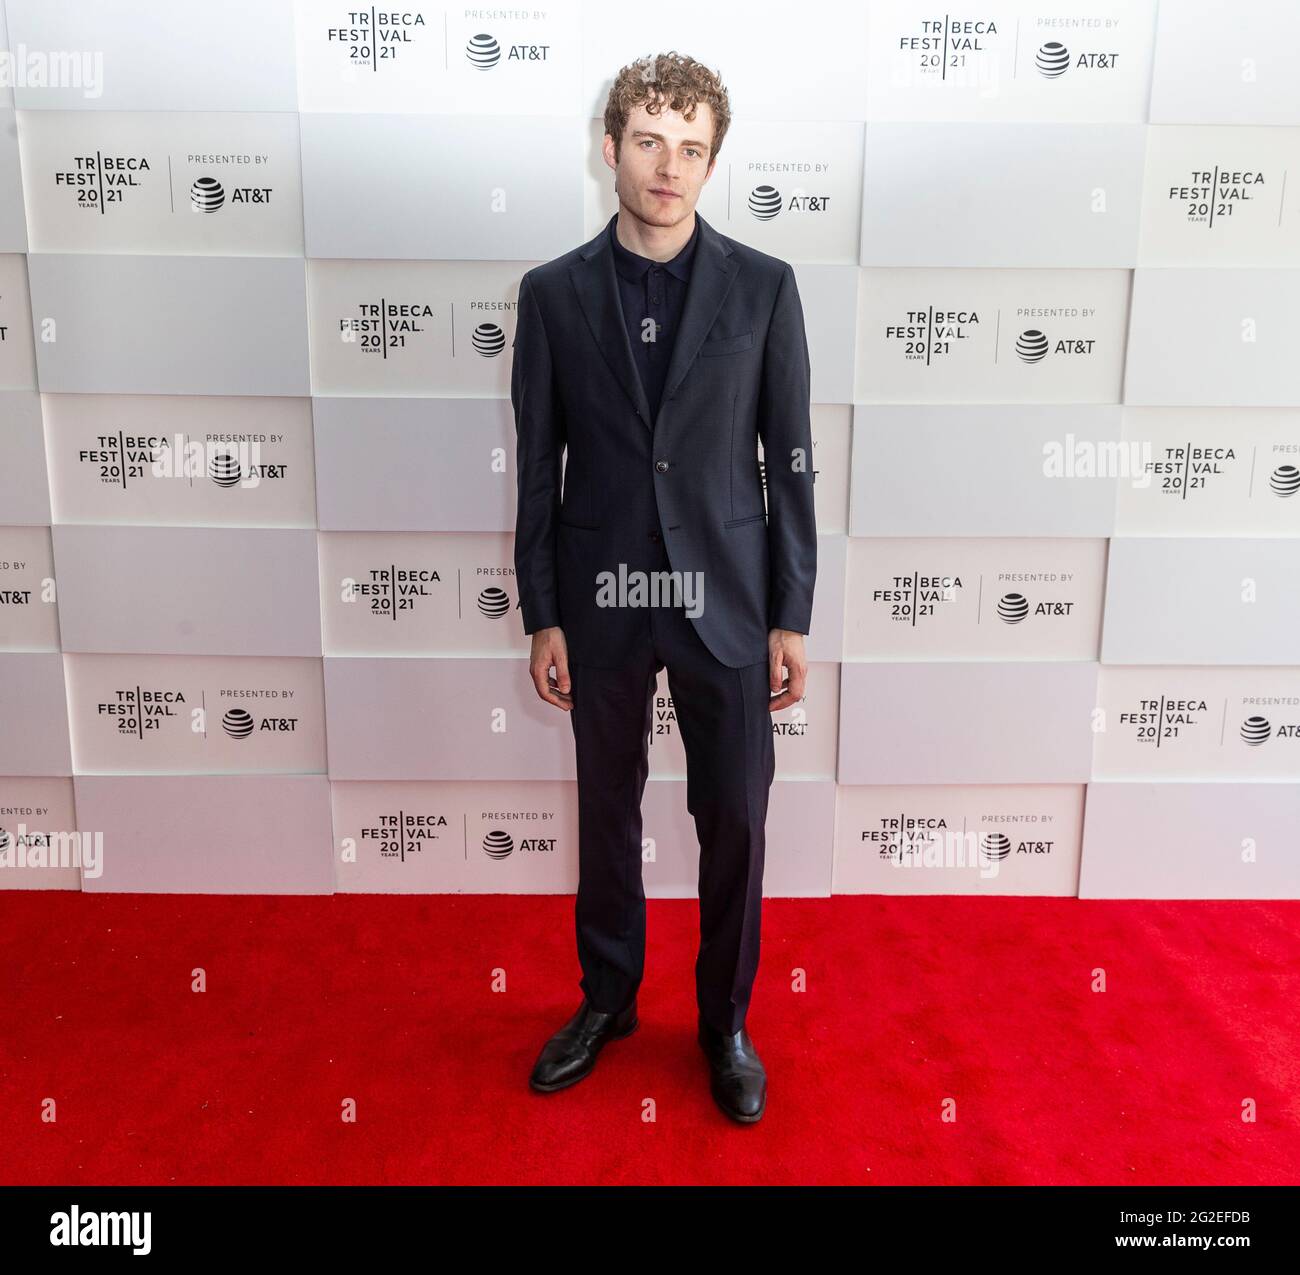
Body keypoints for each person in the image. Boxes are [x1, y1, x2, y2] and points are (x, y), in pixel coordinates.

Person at [510, 50, 816, 1123]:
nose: (668, 166)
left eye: (691, 148)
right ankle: (606, 1000)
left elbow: (789, 460)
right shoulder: (550, 296)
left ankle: (723, 1022)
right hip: (599, 598)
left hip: (726, 597)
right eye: (649, 141)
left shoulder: (766, 288)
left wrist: (791, 610)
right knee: (605, 810)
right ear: (611, 150)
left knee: (733, 814)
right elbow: (536, 461)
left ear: (712, 160)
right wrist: (541, 609)